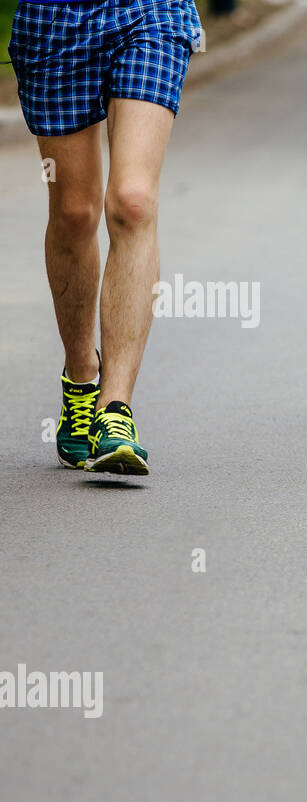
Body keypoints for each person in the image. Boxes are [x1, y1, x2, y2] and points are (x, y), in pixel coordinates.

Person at [8, 0, 203, 474]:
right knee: (75, 212)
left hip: (150, 12)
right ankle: (81, 376)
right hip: (55, 17)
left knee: (133, 200)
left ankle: (115, 412)